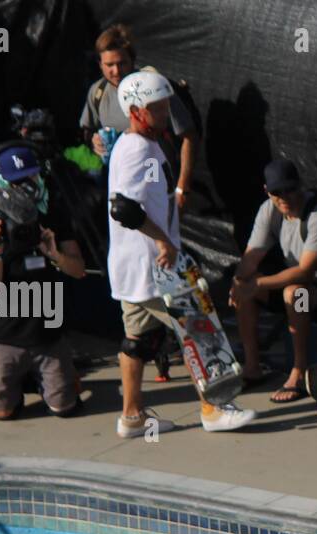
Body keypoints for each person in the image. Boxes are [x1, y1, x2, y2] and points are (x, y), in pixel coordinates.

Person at [107, 71, 254, 437]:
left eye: (166, 105)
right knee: (197, 328)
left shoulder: (139, 144)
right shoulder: (137, 150)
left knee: (136, 342)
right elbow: (123, 208)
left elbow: (142, 200)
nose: (164, 112)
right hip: (157, 266)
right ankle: (214, 408)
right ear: (136, 111)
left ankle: (132, 416)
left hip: (132, 268)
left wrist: (170, 206)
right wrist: (163, 241)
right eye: (157, 107)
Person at [0, 146, 85, 420]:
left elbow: (78, 270)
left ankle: (48, 380)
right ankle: (17, 382)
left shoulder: (53, 216)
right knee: (2, 413)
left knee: (64, 409)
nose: (25, 187)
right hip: (4, 334)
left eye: (30, 178)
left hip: (47, 333)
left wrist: (55, 253)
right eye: (17, 181)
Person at [230, 159, 317, 403]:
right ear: (267, 191)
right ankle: (252, 367)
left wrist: (256, 285)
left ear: (300, 186)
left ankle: (299, 371)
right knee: (245, 288)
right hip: (291, 286)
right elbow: (251, 257)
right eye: (276, 192)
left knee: (295, 293)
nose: (283, 197)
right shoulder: (269, 209)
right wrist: (239, 282)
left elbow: (305, 272)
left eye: (289, 190)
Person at [80, 24, 200, 211]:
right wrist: (93, 141)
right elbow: (87, 133)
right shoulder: (97, 93)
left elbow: (189, 136)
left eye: (122, 63)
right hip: (119, 186)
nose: (116, 71)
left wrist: (182, 188)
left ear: (132, 60)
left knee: (159, 231)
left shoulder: (155, 88)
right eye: (109, 65)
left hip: (156, 176)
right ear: (100, 64)